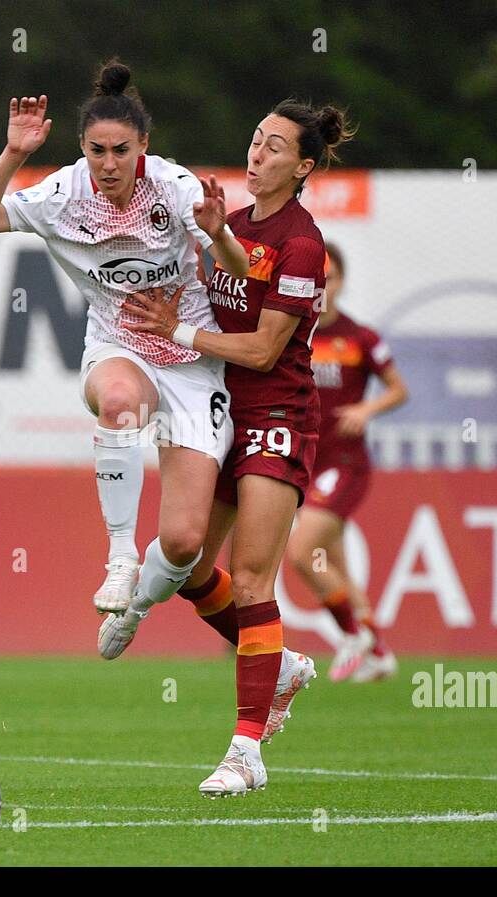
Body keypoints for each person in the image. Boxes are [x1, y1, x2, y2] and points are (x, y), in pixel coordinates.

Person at [121, 99, 354, 797]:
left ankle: (246, 750)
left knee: (251, 578)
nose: (258, 153)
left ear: (304, 166)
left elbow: (261, 348)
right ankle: (279, 665)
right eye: (255, 139)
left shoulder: (303, 243)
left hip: (277, 413)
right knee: (188, 563)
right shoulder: (235, 225)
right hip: (216, 411)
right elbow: (216, 287)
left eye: (276, 146)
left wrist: (180, 334)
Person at [0, 61, 249, 629]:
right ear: (82, 148)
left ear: (144, 144)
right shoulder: (63, 193)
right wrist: (14, 152)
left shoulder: (174, 187)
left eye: (121, 150)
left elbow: (239, 272)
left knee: (185, 543)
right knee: (119, 402)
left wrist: (219, 233)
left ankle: (136, 605)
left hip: (193, 361)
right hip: (121, 347)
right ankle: (119, 555)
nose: (109, 164)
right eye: (97, 151)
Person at [285, 243, 409, 683]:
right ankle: (378, 652)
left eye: (331, 278)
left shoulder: (361, 338)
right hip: (306, 464)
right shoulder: (291, 332)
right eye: (317, 278)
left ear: (341, 282)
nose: (324, 287)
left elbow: (398, 389)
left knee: (302, 553)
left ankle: (352, 635)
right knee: (336, 568)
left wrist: (366, 410)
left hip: (345, 464)